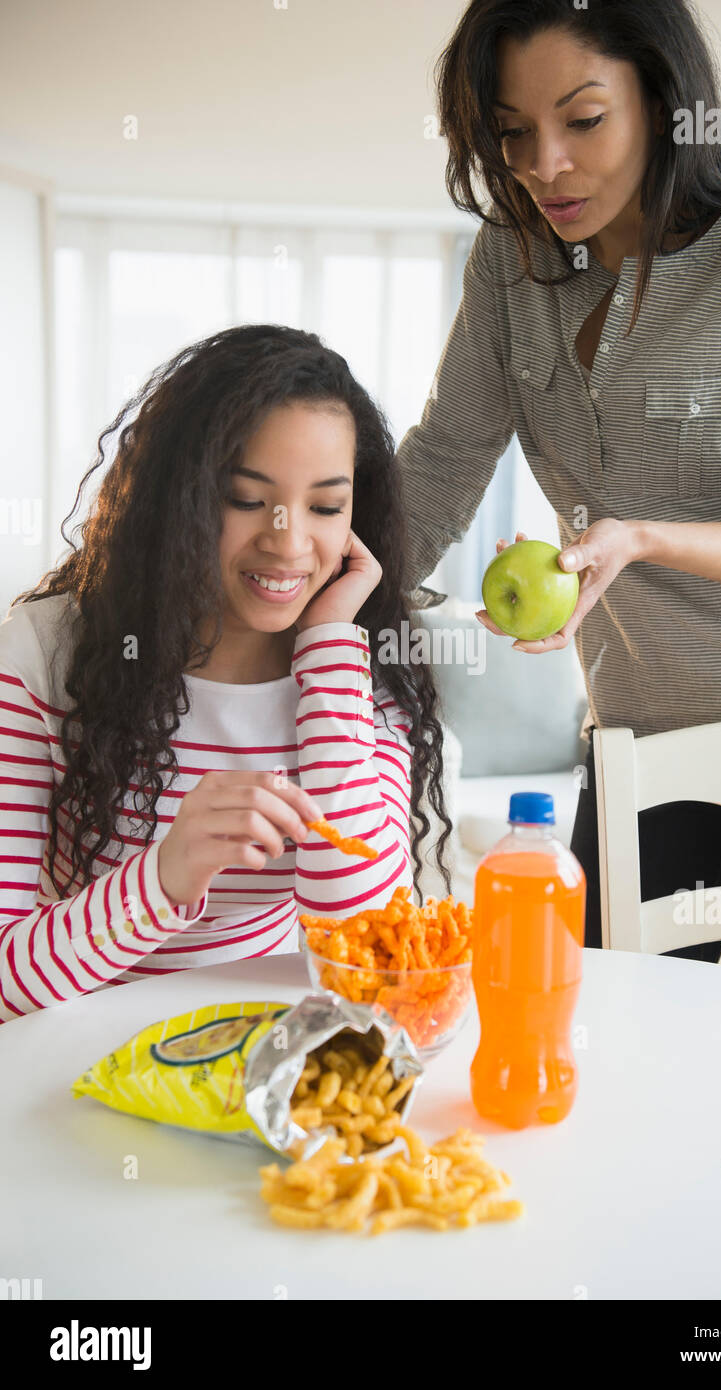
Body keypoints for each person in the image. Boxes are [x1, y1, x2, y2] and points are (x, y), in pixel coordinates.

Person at [396, 0, 721, 990]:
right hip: (635, 734)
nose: (545, 166)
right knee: (602, 1029)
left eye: (584, 119)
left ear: (661, 97)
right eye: (511, 132)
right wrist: (318, 580)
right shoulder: (507, 264)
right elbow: (441, 463)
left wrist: (640, 538)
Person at [0, 325, 453, 1022]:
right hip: (75, 1045)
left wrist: (328, 645)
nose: (289, 542)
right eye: (246, 498)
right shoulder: (42, 658)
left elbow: (364, 941)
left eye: (326, 506)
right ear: (175, 499)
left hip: (260, 1045)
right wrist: (163, 877)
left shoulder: (364, 665)